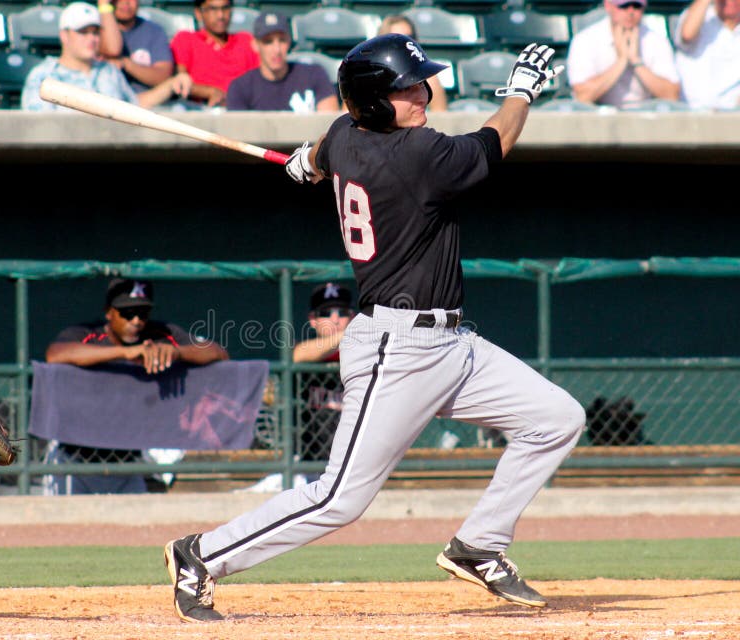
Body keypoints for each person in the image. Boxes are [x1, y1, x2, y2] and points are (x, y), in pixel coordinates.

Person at [164, 35, 585, 622]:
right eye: (409, 87)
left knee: (557, 417)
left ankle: (481, 543)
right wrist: (520, 90)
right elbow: (498, 140)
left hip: (453, 344)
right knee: (340, 498)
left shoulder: (342, 134)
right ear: (378, 102)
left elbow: (319, 156)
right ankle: (201, 554)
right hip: (399, 348)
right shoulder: (419, 154)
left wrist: (304, 163)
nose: (424, 93)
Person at [43, 278, 228, 495]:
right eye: (128, 312)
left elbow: (219, 353)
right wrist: (125, 353)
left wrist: (179, 352)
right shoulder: (87, 334)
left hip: (127, 461)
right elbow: (54, 355)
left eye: (142, 312)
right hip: (72, 456)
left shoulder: (160, 333)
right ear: (109, 312)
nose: (137, 320)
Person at [238, 282, 353, 493]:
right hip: (310, 463)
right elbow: (296, 355)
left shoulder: (365, 353)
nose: (335, 319)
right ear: (313, 321)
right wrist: (346, 335)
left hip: (357, 461)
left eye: (342, 312)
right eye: (326, 313)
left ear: (352, 317)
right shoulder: (305, 351)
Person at [21, 2, 192, 111]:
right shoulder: (44, 75)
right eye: (83, 32)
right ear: (64, 35)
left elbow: (133, 107)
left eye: (95, 32)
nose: (92, 39)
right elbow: (39, 127)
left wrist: (171, 84)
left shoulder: (108, 71)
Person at [566, 0, 681, 107]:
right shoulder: (585, 40)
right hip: (599, 119)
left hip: (646, 119)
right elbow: (583, 96)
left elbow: (672, 96)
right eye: (623, 6)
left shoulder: (657, 41)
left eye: (637, 6)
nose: (630, 12)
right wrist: (621, 61)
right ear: (608, 5)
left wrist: (636, 61)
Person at [226, 12, 340, 112]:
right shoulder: (240, 87)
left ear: (289, 42)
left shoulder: (314, 75)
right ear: (255, 45)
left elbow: (328, 125)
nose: (277, 49)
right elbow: (237, 130)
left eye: (282, 40)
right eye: (268, 42)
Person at [170, 0, 259, 108]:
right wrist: (210, 92)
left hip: (243, 111)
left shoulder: (245, 41)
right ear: (198, 13)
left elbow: (262, 82)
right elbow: (179, 81)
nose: (220, 15)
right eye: (213, 9)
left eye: (225, 8)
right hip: (200, 111)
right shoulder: (186, 40)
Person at [97, 0, 176, 95]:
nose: (126, 2)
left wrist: (125, 63)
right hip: (105, 100)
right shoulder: (92, 28)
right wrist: (104, 6)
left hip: (146, 102)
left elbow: (163, 76)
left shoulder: (154, 30)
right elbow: (112, 50)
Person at [673, 0, 740, 110]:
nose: (730, 2)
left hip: (732, 116)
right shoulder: (701, 16)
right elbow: (687, 34)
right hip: (693, 113)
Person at [377, 14, 448, 112]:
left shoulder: (429, 79)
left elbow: (440, 116)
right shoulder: (369, 77)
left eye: (410, 37)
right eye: (398, 38)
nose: (405, 43)